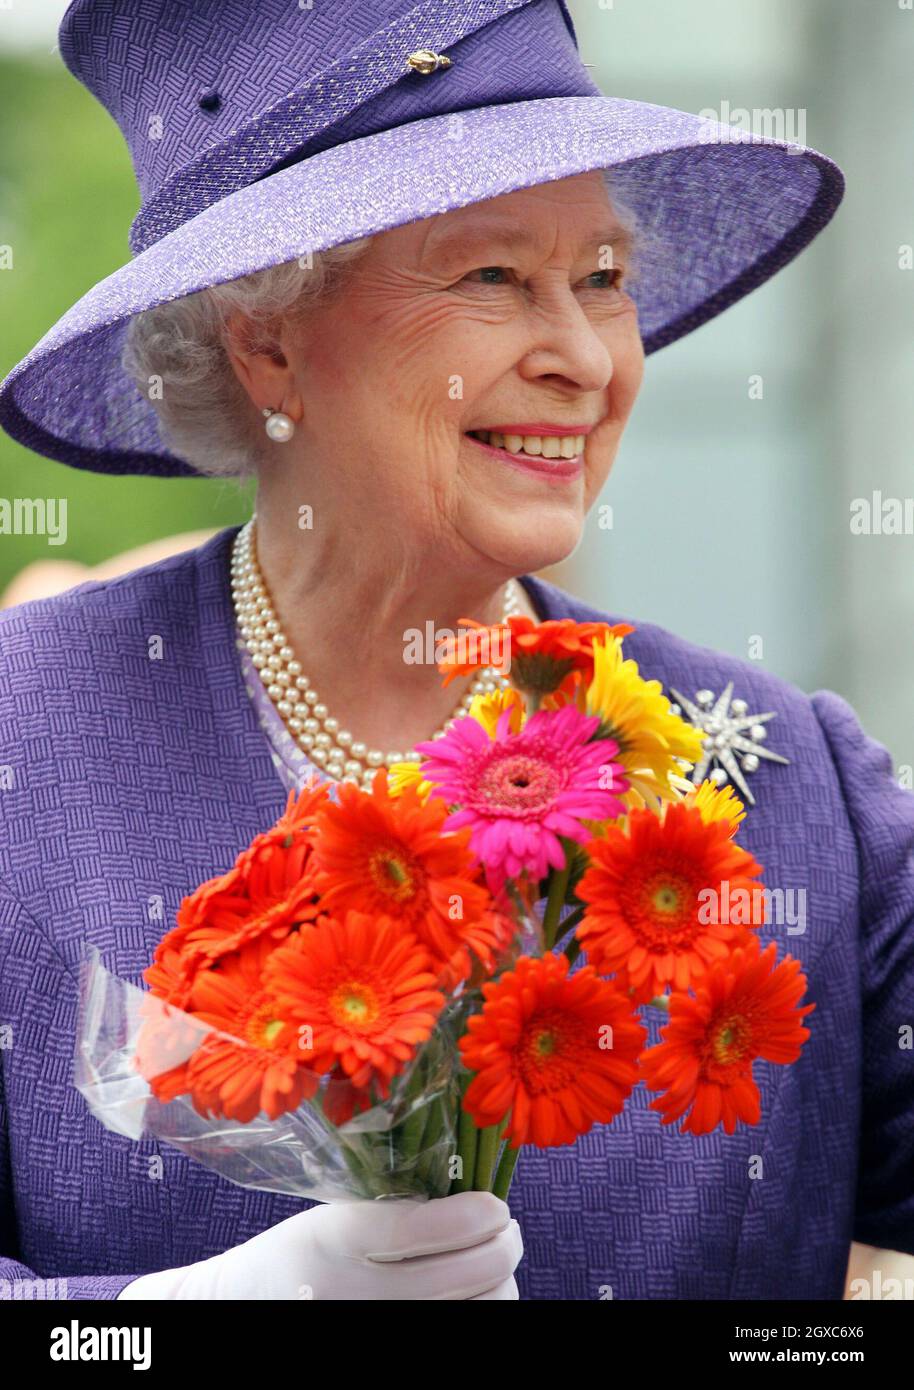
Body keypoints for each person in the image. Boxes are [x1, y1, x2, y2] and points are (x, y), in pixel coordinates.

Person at [0, 0, 909, 1302]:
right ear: (266, 342)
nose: (587, 359)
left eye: (601, 278)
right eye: (491, 278)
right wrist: (146, 1326)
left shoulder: (793, 778)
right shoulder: (23, 740)